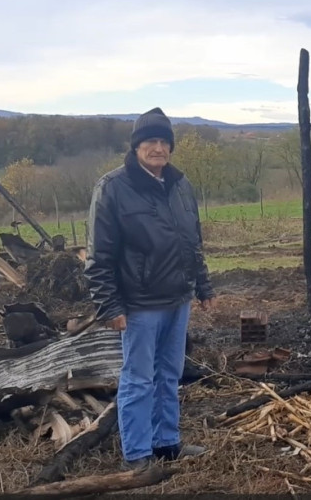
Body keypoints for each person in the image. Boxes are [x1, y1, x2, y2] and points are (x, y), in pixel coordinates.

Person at [84, 107, 216, 470]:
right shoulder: (113, 188)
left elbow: (192, 241)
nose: (158, 148)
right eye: (150, 141)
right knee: (139, 379)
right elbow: (99, 256)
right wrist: (110, 307)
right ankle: (138, 455)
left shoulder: (180, 185)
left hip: (178, 299)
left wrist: (202, 285)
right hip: (140, 304)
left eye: (163, 141)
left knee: (169, 376)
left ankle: (167, 442)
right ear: (137, 146)